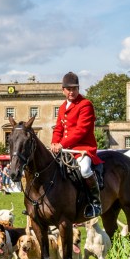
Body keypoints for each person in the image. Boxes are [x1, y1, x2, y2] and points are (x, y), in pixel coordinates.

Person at [51, 71, 103, 218]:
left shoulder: (85, 104)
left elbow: (81, 130)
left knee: (85, 169)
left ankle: (95, 203)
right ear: (63, 90)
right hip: (65, 149)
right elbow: (59, 128)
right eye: (68, 89)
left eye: (74, 88)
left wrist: (61, 144)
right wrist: (54, 142)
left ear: (78, 88)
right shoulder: (62, 107)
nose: (71, 91)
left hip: (83, 148)